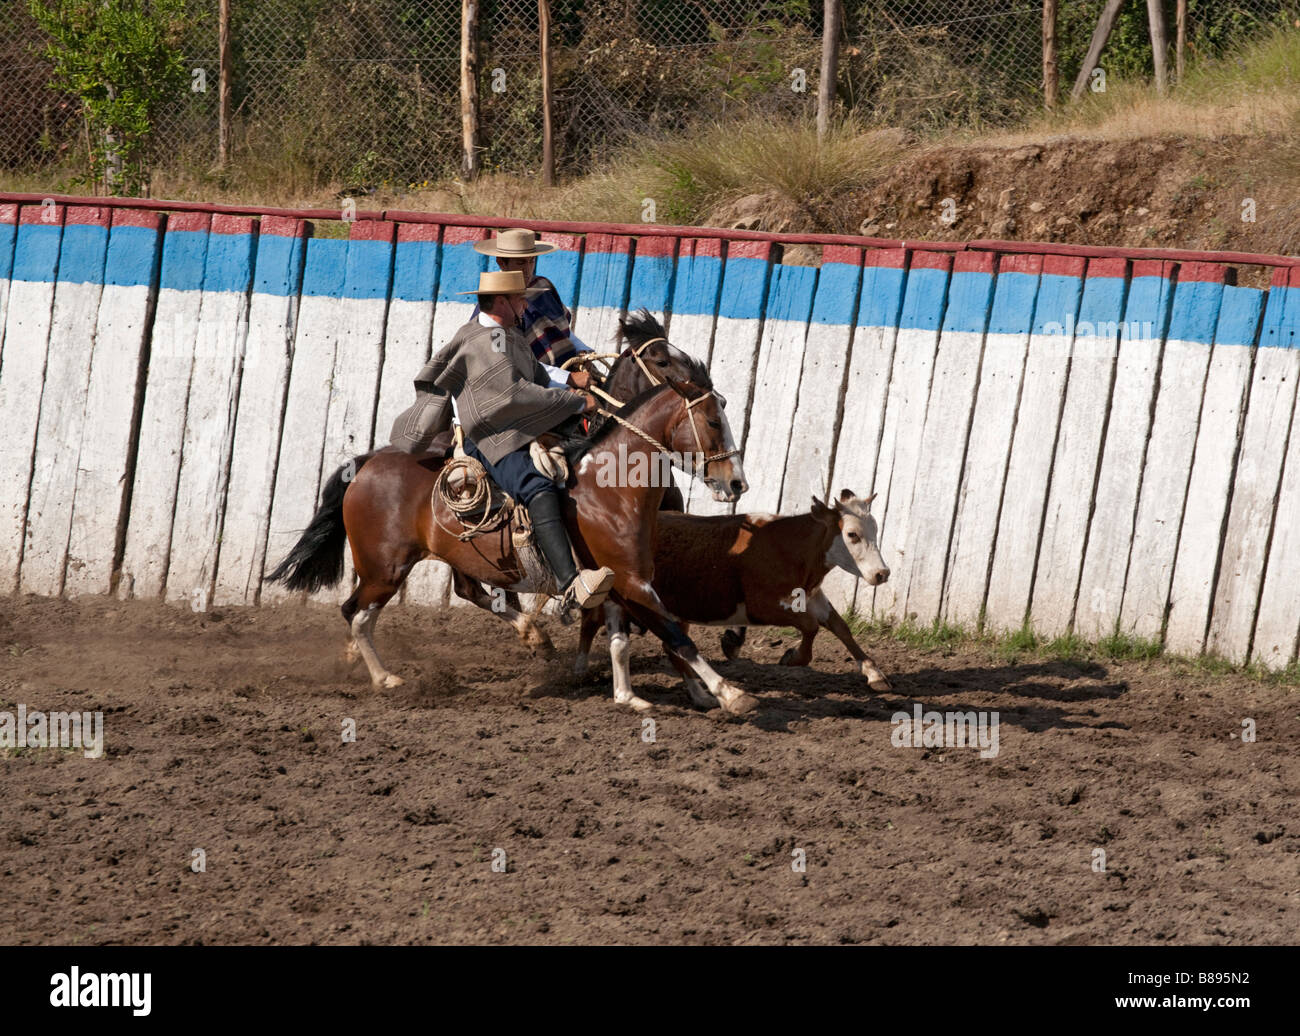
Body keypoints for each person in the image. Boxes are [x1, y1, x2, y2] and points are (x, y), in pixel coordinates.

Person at [388, 268, 616, 610]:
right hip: (494, 437)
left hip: (512, 424)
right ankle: (571, 583)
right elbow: (513, 393)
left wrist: (572, 380)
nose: (524, 304)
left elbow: (532, 372)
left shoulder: (502, 334)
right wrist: (575, 401)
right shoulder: (485, 342)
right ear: (500, 302)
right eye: (518, 298)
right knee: (537, 485)